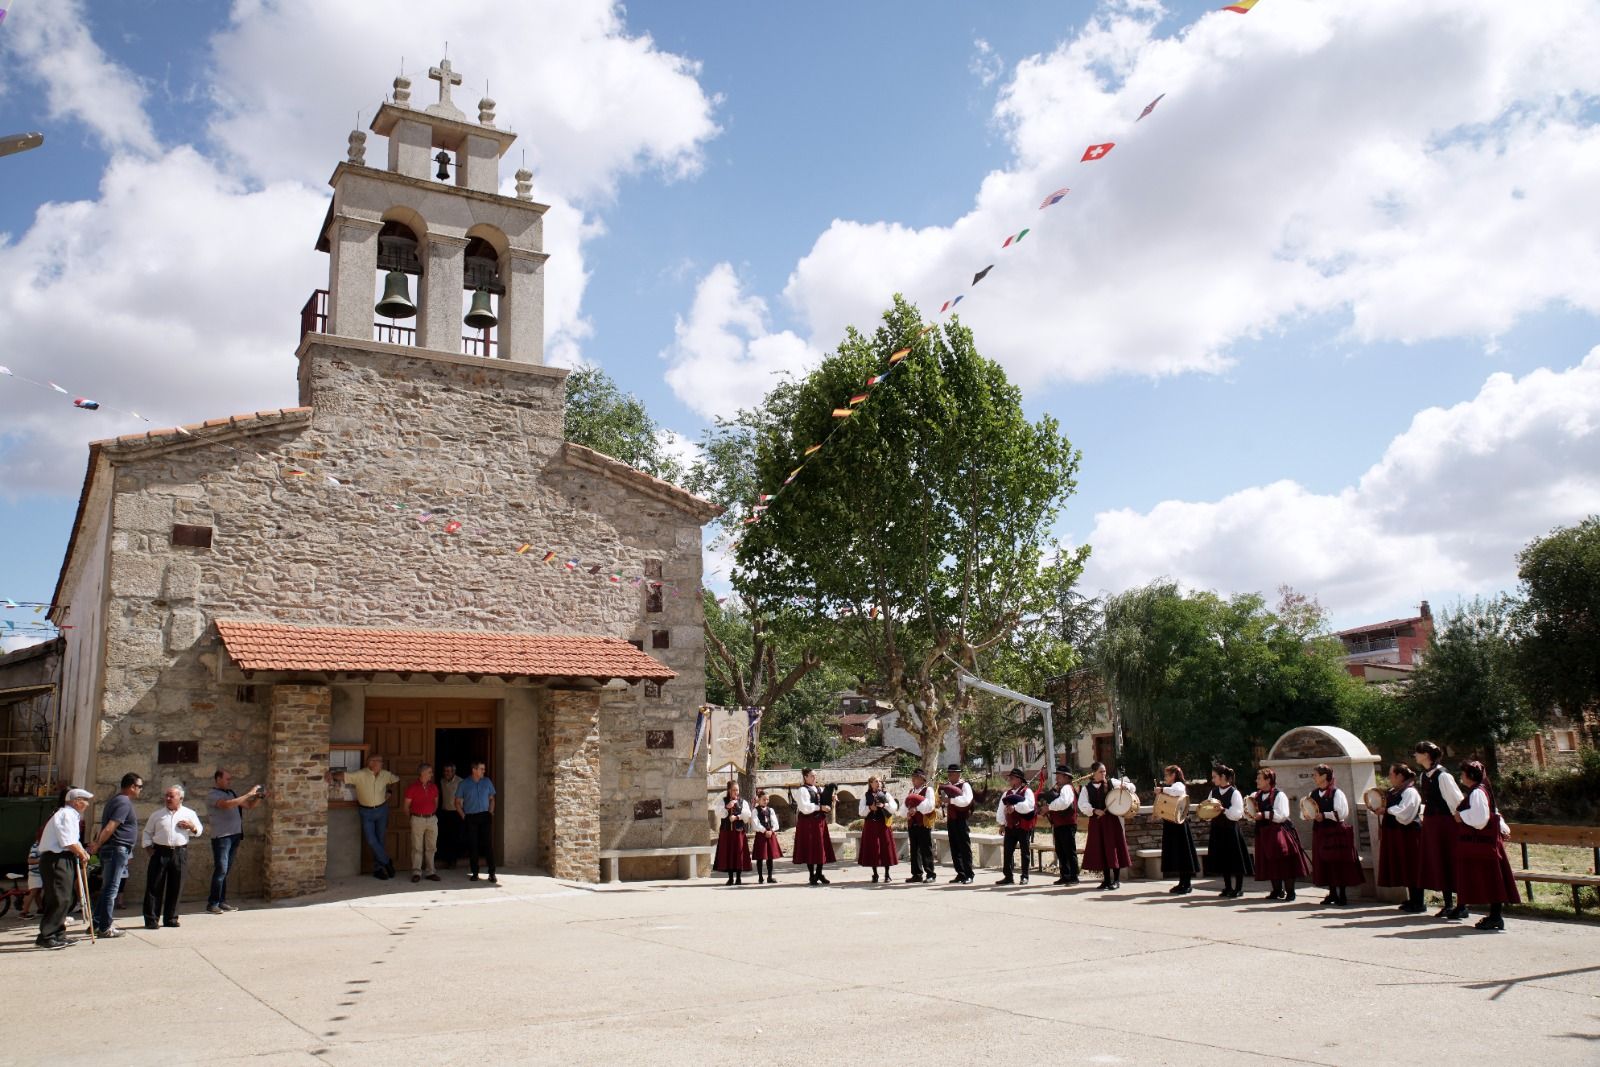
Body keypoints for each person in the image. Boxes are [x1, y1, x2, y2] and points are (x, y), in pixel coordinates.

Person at [1453, 760, 1519, 931]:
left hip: (1482, 845)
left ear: (1470, 775)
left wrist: (1461, 815)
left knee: (1492, 879)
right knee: (1492, 878)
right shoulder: (1481, 790)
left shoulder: (1477, 792)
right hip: (1484, 844)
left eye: (1463, 773)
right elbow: (1493, 813)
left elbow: (1481, 820)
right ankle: (1495, 916)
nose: (1461, 776)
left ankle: (1496, 917)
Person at [1415, 741, 1467, 920]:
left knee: (1451, 860)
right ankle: (1448, 904)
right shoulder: (1424, 775)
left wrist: (1460, 821)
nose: (1415, 755)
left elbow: (1456, 800)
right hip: (1432, 823)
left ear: (1426, 755)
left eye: (1418, 752)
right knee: (1439, 860)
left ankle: (1462, 905)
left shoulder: (1443, 776)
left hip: (1446, 823)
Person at [35, 788, 92, 950]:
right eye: (84, 800)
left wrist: (82, 853)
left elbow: (74, 839)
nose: (87, 804)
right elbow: (67, 841)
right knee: (59, 897)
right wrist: (82, 853)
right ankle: (47, 935)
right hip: (56, 858)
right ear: (76, 801)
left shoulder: (72, 816)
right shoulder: (66, 814)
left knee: (65, 897)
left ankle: (58, 933)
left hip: (63, 858)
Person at [141, 784, 203, 930]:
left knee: (176, 887)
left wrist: (191, 826)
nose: (168, 798)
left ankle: (171, 918)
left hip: (179, 853)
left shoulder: (189, 813)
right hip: (160, 852)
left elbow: (199, 830)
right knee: (154, 886)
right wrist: (149, 848)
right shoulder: (157, 815)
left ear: (180, 798)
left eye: (171, 796)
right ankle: (151, 919)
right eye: (166, 796)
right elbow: (146, 832)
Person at [88, 772, 143, 936]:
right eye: (139, 787)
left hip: (113, 849)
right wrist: (97, 844)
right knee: (111, 889)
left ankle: (97, 922)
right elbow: (110, 827)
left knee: (107, 887)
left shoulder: (116, 800)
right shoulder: (124, 802)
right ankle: (105, 927)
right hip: (116, 849)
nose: (140, 790)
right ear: (132, 787)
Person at [206, 768, 263, 914]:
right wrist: (249, 794)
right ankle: (212, 903)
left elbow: (249, 806)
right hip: (222, 838)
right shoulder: (213, 795)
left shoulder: (231, 793)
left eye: (230, 779)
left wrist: (258, 797)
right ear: (218, 779)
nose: (229, 781)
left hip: (234, 836)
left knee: (225, 871)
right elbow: (227, 805)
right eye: (227, 779)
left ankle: (222, 901)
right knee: (221, 870)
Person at [1250, 768, 1309, 901]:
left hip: (1278, 832)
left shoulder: (1279, 795)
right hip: (1263, 832)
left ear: (1268, 780)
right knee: (1270, 862)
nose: (1257, 781)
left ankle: (1290, 892)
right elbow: (1250, 811)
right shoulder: (1256, 796)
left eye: (1259, 778)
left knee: (1284, 861)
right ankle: (1277, 890)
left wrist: (1264, 814)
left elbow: (1282, 815)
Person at [337, 754, 399, 880]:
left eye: (381, 761)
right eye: (380, 761)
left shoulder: (385, 774)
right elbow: (343, 776)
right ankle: (386, 861)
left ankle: (379, 869)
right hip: (366, 812)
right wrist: (331, 775)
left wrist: (389, 792)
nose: (382, 763)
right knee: (371, 840)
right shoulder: (360, 774)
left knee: (380, 840)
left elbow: (396, 780)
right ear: (371, 763)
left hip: (382, 810)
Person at [1308, 764, 1363, 907]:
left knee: (1338, 862)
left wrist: (1324, 815)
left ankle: (1342, 894)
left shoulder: (1336, 793)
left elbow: (1342, 812)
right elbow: (1307, 809)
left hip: (1335, 832)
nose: (1313, 777)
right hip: (1320, 831)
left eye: (1316, 774)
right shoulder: (1313, 794)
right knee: (1325, 862)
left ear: (1324, 776)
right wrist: (1309, 815)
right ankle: (1332, 893)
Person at [1376, 763, 1425, 914]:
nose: (1389, 777)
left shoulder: (1410, 792)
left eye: (1391, 774)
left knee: (1412, 866)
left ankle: (1419, 902)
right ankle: (1412, 899)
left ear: (1400, 776)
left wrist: (1387, 810)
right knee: (1405, 866)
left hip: (1409, 834)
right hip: (1397, 833)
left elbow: (1405, 813)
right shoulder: (1394, 791)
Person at [1078, 762, 1133, 891]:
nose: (1104, 774)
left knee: (1113, 848)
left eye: (1104, 771)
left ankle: (1116, 880)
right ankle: (1106, 880)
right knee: (1101, 849)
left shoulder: (1112, 783)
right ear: (1094, 773)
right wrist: (1094, 810)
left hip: (1111, 821)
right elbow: (1082, 804)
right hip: (1096, 823)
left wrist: (1125, 788)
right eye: (1101, 772)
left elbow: (1131, 787)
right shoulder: (1086, 788)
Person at [1202, 764, 1252, 898]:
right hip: (1218, 828)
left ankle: (1239, 888)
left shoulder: (1234, 793)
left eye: (1215, 777)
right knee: (1223, 858)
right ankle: (1228, 886)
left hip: (1230, 830)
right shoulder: (1214, 792)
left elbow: (1237, 813)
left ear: (1223, 777)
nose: (1213, 779)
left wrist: (1223, 810)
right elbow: (1208, 808)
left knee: (1235, 858)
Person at [1158, 765, 1200, 895]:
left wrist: (1162, 789)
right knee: (1177, 853)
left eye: (1167, 775)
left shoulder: (1179, 785)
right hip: (1172, 824)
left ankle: (1187, 883)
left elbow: (1176, 792)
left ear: (1173, 776)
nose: (1165, 778)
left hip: (1180, 824)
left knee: (1183, 853)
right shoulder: (1171, 787)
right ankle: (1182, 882)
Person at [791, 768, 836, 886]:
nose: (814, 778)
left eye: (815, 776)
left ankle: (819, 873)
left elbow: (823, 801)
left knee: (821, 847)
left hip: (819, 822)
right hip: (808, 822)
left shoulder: (818, 789)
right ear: (805, 777)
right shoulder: (802, 790)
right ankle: (812, 875)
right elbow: (804, 807)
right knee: (810, 847)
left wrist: (831, 799)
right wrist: (819, 808)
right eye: (812, 776)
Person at [455, 760, 497, 883]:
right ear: (474, 770)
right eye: (481, 769)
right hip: (471, 817)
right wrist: (464, 816)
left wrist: (490, 811)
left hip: (485, 816)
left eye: (484, 769)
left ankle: (492, 873)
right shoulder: (464, 784)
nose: (484, 771)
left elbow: (492, 799)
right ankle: (475, 873)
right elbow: (457, 802)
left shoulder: (487, 782)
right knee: (473, 846)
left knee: (488, 845)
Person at [994, 767, 1036, 886]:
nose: (1010, 780)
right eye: (1010, 778)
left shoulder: (1027, 792)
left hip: (1023, 826)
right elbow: (1001, 810)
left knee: (1025, 852)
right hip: (1010, 827)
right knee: (1007, 852)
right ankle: (1008, 876)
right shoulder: (1006, 794)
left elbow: (1029, 806)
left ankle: (1024, 876)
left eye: (1012, 778)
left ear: (1019, 780)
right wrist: (1002, 824)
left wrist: (1015, 808)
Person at [403, 762, 442, 883]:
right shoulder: (412, 788)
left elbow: (436, 803)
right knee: (417, 847)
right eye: (430, 772)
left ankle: (430, 872)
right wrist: (414, 818)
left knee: (431, 847)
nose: (432, 774)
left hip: (431, 819)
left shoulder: (434, 787)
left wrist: (429, 814)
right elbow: (406, 807)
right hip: (417, 819)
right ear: (423, 773)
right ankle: (416, 872)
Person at [857, 775, 899, 883]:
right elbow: (861, 812)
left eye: (879, 781)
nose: (878, 783)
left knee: (885, 848)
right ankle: (875, 874)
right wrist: (869, 808)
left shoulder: (886, 794)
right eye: (876, 781)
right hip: (871, 825)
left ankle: (887, 874)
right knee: (873, 848)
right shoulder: (866, 796)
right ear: (870, 783)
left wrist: (884, 805)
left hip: (883, 824)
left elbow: (894, 808)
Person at [1043, 765, 1080, 886]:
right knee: (1061, 851)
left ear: (1066, 777)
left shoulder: (1067, 788)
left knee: (1069, 851)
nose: (1057, 778)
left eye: (1059, 775)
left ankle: (1074, 877)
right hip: (1059, 824)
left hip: (1067, 824)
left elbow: (1064, 803)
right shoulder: (1061, 788)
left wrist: (1048, 807)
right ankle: (1065, 875)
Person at [939, 764, 975, 884]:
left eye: (952, 773)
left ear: (958, 774)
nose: (949, 775)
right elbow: (943, 802)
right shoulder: (947, 786)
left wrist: (951, 800)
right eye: (948, 773)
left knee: (964, 847)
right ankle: (960, 873)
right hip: (951, 819)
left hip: (961, 819)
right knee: (954, 847)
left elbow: (966, 801)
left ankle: (969, 874)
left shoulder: (965, 786)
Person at [713, 781, 753, 886]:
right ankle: (730, 878)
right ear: (729, 790)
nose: (736, 792)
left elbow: (747, 814)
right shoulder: (723, 801)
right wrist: (727, 807)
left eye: (737, 790)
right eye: (734, 790)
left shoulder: (742, 802)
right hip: (727, 832)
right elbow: (718, 813)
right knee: (729, 853)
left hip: (738, 832)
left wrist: (737, 817)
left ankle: (738, 878)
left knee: (738, 853)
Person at [902, 770, 937, 884]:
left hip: (923, 823)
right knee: (914, 849)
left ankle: (930, 874)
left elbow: (930, 806)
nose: (913, 780)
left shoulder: (928, 790)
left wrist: (916, 808)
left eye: (916, 778)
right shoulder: (911, 791)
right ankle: (916, 874)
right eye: (912, 778)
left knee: (926, 849)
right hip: (912, 823)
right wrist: (906, 812)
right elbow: (904, 806)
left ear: (922, 779)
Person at [750, 789, 783, 883]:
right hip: (761, 835)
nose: (766, 801)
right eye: (764, 799)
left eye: (767, 799)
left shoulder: (770, 810)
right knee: (760, 857)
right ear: (759, 800)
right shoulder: (755, 811)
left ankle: (770, 876)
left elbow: (775, 823)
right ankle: (760, 877)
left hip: (770, 834)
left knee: (770, 857)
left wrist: (771, 830)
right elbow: (755, 824)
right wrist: (764, 831)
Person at [436, 763, 464, 869]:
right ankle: (445, 858)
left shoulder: (460, 782)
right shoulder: (442, 781)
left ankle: (453, 860)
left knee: (456, 836)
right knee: (445, 836)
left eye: (448, 771)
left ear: (453, 772)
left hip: (456, 813)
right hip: (445, 812)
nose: (446, 773)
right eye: (445, 771)